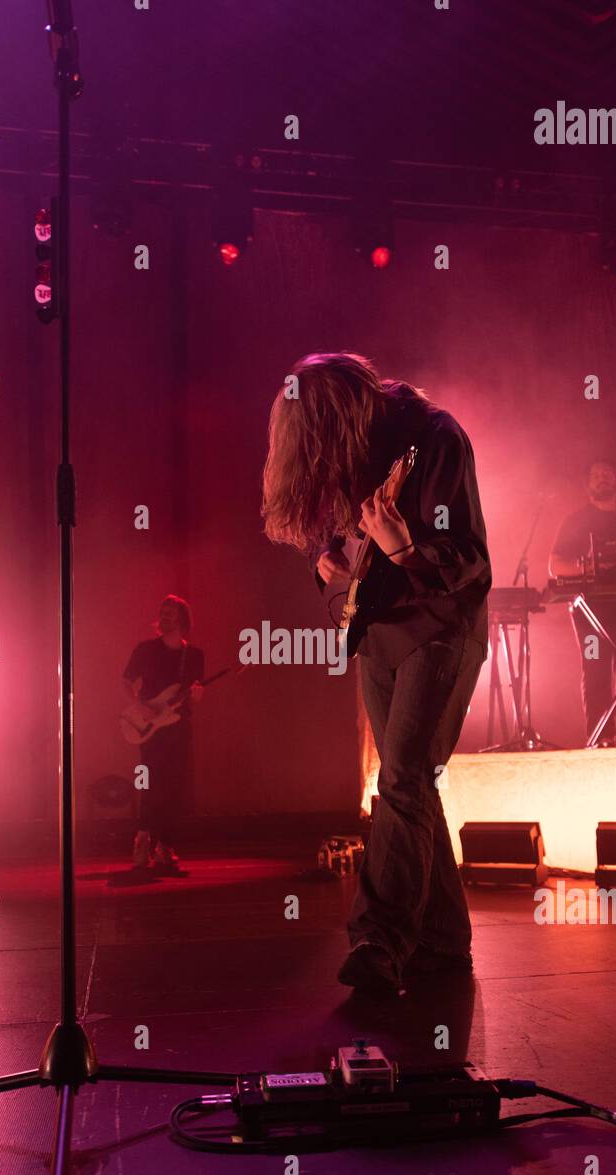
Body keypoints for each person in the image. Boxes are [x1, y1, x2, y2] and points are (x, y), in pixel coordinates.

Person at [262, 352, 491, 994]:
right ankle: (443, 943)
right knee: (412, 786)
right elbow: (344, 541)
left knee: (401, 781)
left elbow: (471, 560)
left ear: (345, 414)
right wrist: (334, 564)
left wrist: (404, 548)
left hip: (442, 630)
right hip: (382, 635)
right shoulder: (359, 448)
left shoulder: (437, 439)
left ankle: (379, 941)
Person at [549, 460, 616, 746]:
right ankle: (600, 740)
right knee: (595, 670)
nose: (602, 479)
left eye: (607, 473)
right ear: (588, 484)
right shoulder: (575, 521)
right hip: (589, 612)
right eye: (596, 475)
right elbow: (555, 565)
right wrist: (590, 568)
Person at [122, 595, 204, 872]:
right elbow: (126, 680)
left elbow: (193, 693)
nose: (165, 618)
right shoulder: (145, 650)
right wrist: (137, 705)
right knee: (149, 783)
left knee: (174, 787)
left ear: (182, 619)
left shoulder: (193, 655)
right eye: (162, 613)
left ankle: (164, 845)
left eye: (171, 613)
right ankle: (142, 838)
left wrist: (197, 695)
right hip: (150, 729)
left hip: (178, 727)